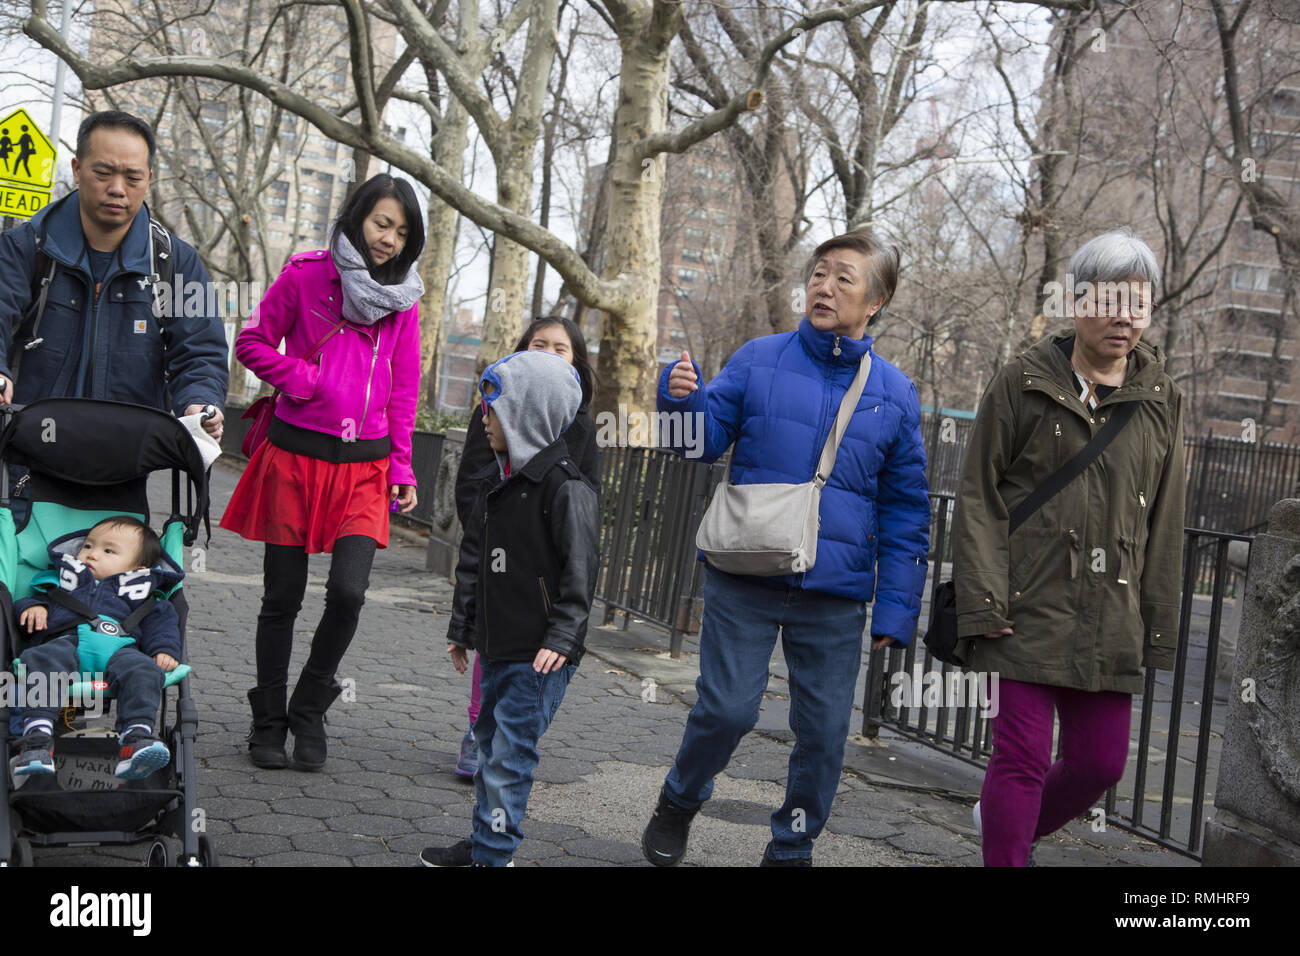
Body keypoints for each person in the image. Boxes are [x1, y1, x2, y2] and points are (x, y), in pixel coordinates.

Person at [641, 230, 932, 866]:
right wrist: (677, 399)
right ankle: (679, 799)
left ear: (876, 300)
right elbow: (693, 445)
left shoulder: (895, 392)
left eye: (844, 278)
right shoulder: (758, 358)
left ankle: (791, 847)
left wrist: (896, 610)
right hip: (745, 572)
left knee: (825, 734)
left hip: (834, 592)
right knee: (726, 710)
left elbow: (907, 508)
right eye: (819, 273)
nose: (824, 286)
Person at [952, 228, 1185, 867]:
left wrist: (1157, 623)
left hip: (1112, 612)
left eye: (1138, 303)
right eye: (1110, 300)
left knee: (1099, 764)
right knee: (1020, 759)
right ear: (1077, 301)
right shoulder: (1021, 381)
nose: (1123, 318)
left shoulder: (1162, 398)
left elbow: (1167, 519)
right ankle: (1007, 848)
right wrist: (983, 598)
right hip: (1023, 604)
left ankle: (1003, 825)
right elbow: (978, 497)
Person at [219, 173, 424, 772]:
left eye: (402, 231)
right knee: (281, 596)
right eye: (382, 223)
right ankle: (268, 720)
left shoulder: (405, 300)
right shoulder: (309, 274)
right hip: (294, 458)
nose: (388, 239)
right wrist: (301, 380)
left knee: (349, 592)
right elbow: (253, 341)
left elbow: (404, 389)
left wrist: (403, 466)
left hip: (364, 467)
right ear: (360, 215)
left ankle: (310, 706)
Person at [421, 350, 600, 866]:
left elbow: (581, 576)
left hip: (538, 656)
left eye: (493, 407)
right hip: (497, 647)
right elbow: (474, 560)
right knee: (488, 749)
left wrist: (562, 639)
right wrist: (464, 627)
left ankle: (494, 854)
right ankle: (484, 843)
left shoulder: (566, 488)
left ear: (527, 413)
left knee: (508, 759)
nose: (483, 417)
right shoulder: (499, 482)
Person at [0, 110, 227, 436]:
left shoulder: (177, 262)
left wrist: (199, 402)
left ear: (149, 179)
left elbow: (200, 351)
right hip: (25, 451)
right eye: (103, 173)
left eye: (133, 178)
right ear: (77, 170)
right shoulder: (21, 248)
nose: (118, 189)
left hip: (124, 461)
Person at [450, 315, 599, 777]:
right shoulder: (492, 414)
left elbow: (587, 498)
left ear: (575, 364)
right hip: (500, 546)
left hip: (545, 560)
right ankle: (480, 730)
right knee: (492, 640)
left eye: (560, 348)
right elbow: (474, 478)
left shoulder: (580, 427)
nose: (548, 353)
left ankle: (508, 742)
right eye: (539, 344)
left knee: (530, 654)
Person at [9, 517, 182, 781]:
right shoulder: (61, 583)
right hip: (66, 643)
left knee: (145, 670)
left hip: (121, 650)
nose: (92, 554)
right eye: (88, 546)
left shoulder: (144, 596)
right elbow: (33, 600)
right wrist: (33, 608)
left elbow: (163, 622)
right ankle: (37, 736)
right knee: (41, 657)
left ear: (138, 567)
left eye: (108, 551)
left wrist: (165, 649)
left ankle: (135, 738)